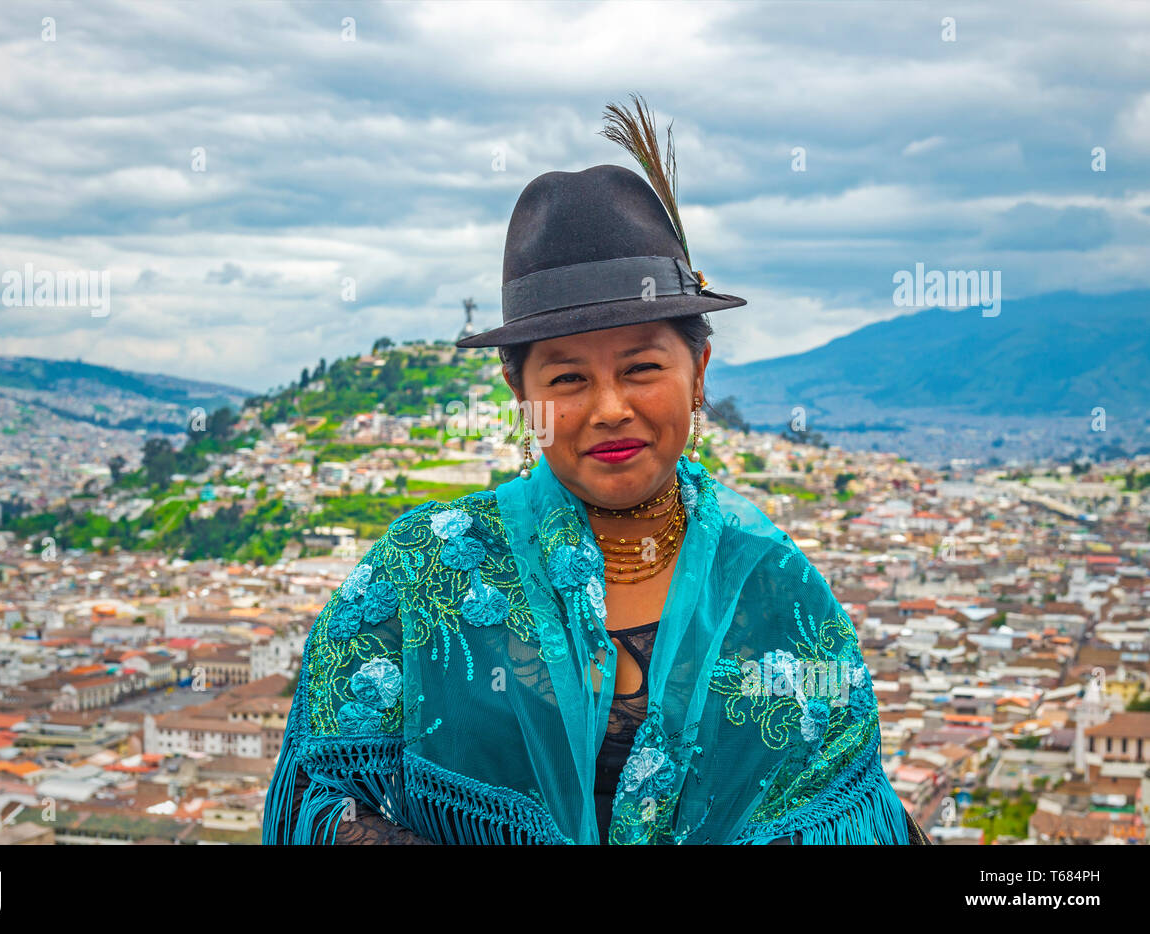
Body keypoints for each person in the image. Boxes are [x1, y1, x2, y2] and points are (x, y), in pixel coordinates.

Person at [263, 95, 929, 845]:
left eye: (642, 366)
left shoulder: (776, 591)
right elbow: (321, 802)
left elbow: (844, 817)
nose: (610, 408)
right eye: (569, 379)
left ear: (699, 370)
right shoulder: (423, 574)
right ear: (521, 394)